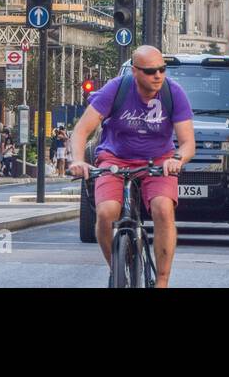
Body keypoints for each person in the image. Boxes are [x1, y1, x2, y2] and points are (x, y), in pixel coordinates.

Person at [69, 45, 195, 288]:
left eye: (162, 69)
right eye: (150, 71)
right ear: (135, 71)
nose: (158, 76)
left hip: (159, 161)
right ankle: (118, 271)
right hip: (114, 159)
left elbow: (188, 142)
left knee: (162, 209)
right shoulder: (117, 89)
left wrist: (176, 159)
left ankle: (161, 281)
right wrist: (77, 159)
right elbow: (82, 129)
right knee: (106, 213)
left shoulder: (173, 93)